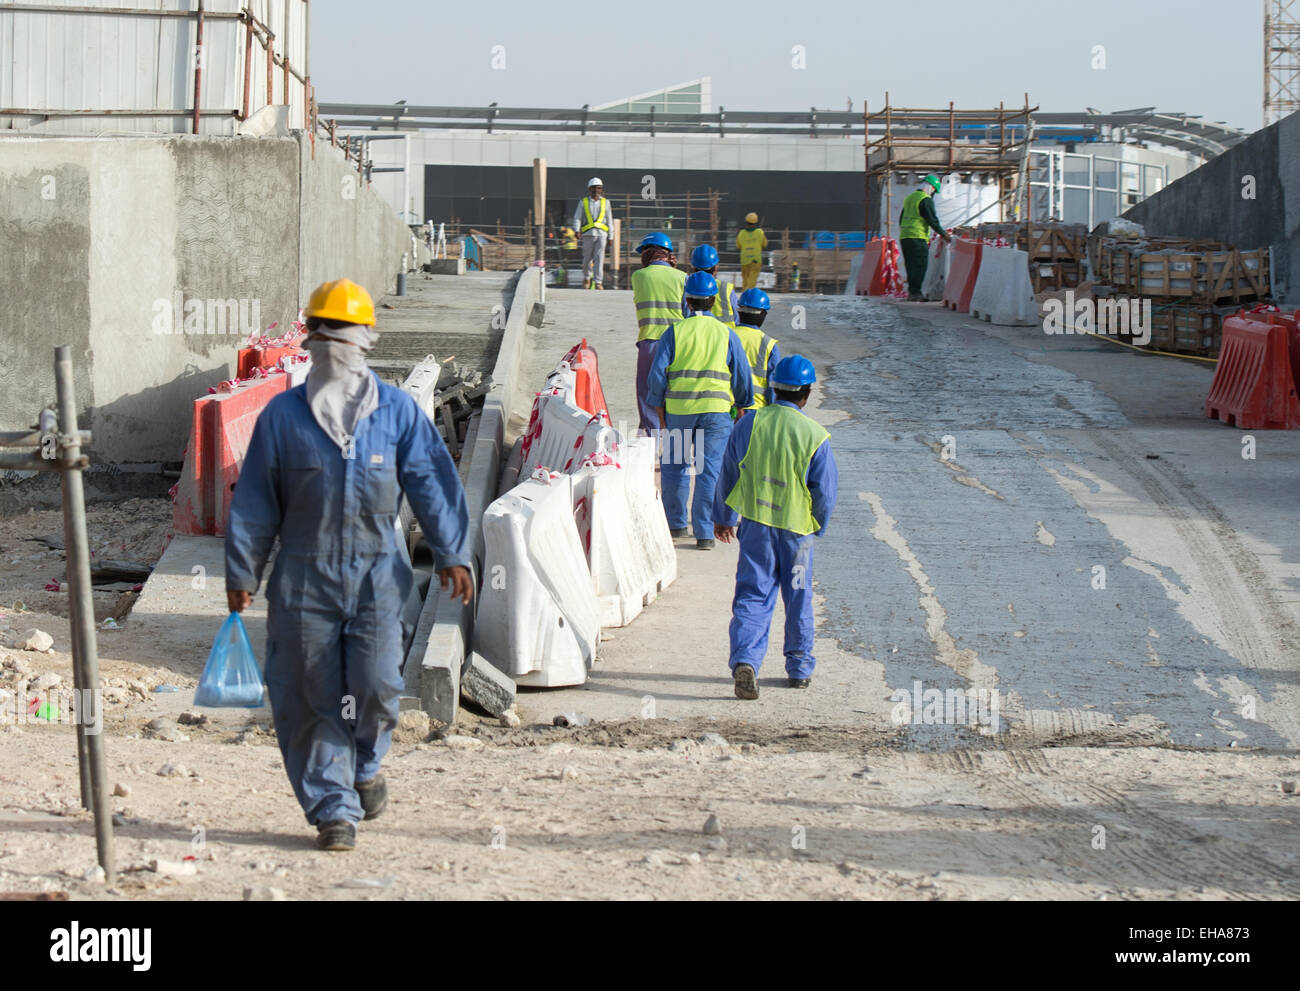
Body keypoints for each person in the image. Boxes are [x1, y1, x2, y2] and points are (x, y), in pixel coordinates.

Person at [225, 278, 474, 852]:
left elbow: (432, 481)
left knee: (380, 683)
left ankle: (365, 765)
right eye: (326, 332)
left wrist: (452, 551)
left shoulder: (396, 412)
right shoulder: (282, 418)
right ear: (309, 338)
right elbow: (256, 499)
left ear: (368, 339)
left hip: (377, 574)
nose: (337, 343)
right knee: (308, 694)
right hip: (303, 577)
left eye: (348, 333)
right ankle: (333, 808)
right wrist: (243, 571)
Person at [714, 355, 838, 699]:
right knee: (798, 596)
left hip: (756, 527)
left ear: (773, 389)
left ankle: (746, 661)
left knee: (753, 594)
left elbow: (729, 471)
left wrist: (724, 516)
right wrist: (818, 527)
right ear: (807, 393)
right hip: (797, 534)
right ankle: (798, 668)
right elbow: (824, 493)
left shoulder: (749, 423)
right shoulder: (816, 436)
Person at [647, 271, 753, 550]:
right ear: (714, 301)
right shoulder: (726, 333)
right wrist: (742, 404)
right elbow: (741, 375)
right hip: (717, 412)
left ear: (687, 301)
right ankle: (705, 533)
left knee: (675, 467)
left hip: (679, 410)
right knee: (710, 470)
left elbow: (657, 375)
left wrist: (659, 408)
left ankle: (676, 524)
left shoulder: (674, 332)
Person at [631, 232, 687, 435]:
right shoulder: (682, 277)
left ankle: (649, 441)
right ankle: (676, 441)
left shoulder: (638, 276)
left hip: (650, 342)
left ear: (648, 252)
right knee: (675, 393)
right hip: (678, 345)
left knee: (647, 395)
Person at [899, 174, 952, 301]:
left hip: (905, 236)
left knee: (910, 265)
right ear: (932, 188)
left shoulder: (910, 198)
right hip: (918, 236)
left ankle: (912, 292)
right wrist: (944, 235)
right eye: (934, 190)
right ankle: (916, 293)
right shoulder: (925, 199)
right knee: (920, 265)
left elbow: (901, 219)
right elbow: (932, 220)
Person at [732, 289, 782, 411]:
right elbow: (773, 386)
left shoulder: (726, 335)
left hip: (728, 407)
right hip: (757, 410)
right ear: (763, 315)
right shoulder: (768, 344)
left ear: (739, 312)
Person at [683, 244, 738, 327]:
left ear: (694, 267)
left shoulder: (688, 287)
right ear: (715, 267)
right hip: (726, 337)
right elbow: (737, 319)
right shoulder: (726, 288)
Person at [573, 177, 612, 289]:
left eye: (598, 188)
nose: (596, 190)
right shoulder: (583, 202)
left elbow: (609, 220)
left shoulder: (606, 203)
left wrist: (611, 236)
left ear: (601, 189)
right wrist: (577, 230)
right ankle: (586, 277)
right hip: (588, 234)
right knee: (586, 259)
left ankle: (598, 282)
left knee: (599, 258)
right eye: (593, 188)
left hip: (602, 235)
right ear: (589, 189)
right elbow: (577, 217)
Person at [735, 212, 768, 290]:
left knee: (745, 280)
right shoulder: (760, 232)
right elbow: (765, 244)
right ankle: (749, 296)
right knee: (752, 280)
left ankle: (744, 295)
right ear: (756, 222)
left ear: (746, 222)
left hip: (744, 259)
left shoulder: (741, 233)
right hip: (755, 260)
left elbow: (738, 246)